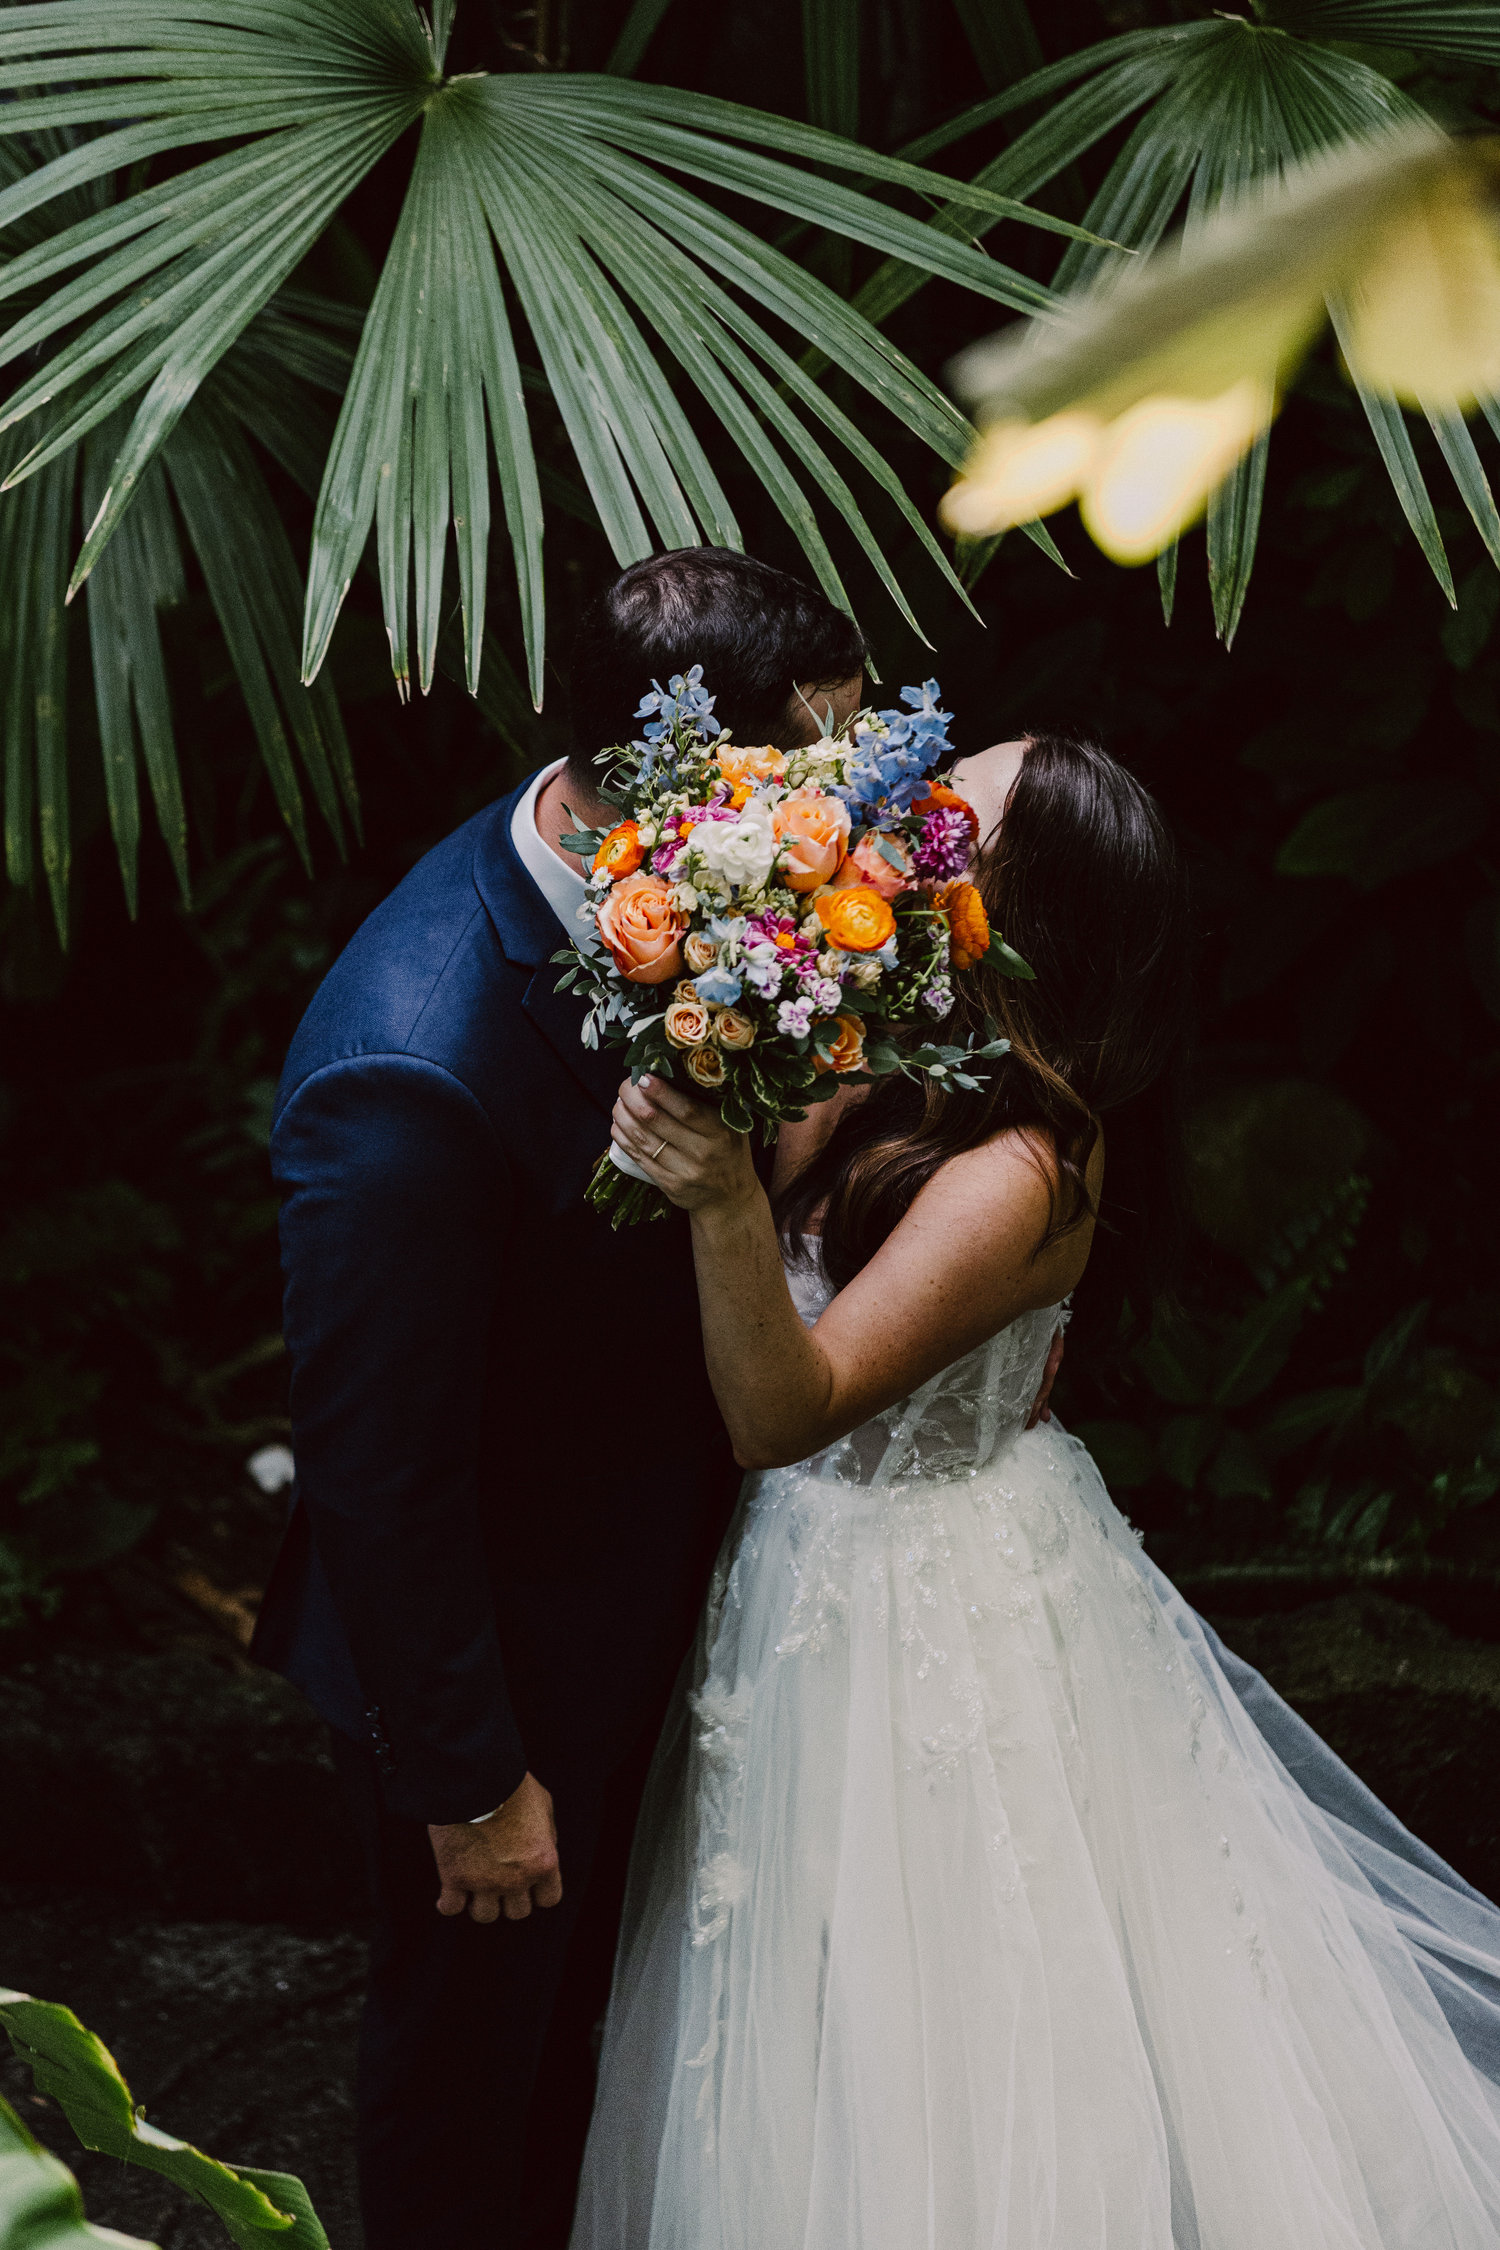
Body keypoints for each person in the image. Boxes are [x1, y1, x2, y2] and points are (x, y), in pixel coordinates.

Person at [574, 733, 1500, 2249]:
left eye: (950, 817)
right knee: (797, 1995)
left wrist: (725, 1194)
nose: (900, 823)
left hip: (928, 1598)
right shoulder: (872, 1050)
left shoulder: (1025, 1166)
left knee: (956, 1999)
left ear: (1023, 903)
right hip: (802, 1586)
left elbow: (780, 1405)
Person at [250, 548, 916, 2250]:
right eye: (813, 768)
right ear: (682, 775)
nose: (842, 806)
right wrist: (472, 1781)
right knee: (478, 2096)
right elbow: (376, 1469)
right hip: (505, 1677)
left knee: (604, 2073)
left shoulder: (662, 866)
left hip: (649, 1594)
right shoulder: (410, 1063)